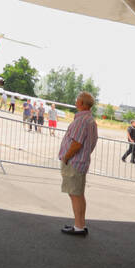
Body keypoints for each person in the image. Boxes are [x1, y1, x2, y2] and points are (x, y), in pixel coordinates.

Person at [59, 92, 98, 236]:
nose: (76, 102)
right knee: (78, 194)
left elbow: (76, 143)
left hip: (74, 162)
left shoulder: (82, 121)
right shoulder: (90, 120)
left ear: (81, 103)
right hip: (80, 162)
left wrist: (66, 157)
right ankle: (80, 224)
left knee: (75, 194)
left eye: (77, 101)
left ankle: (79, 227)